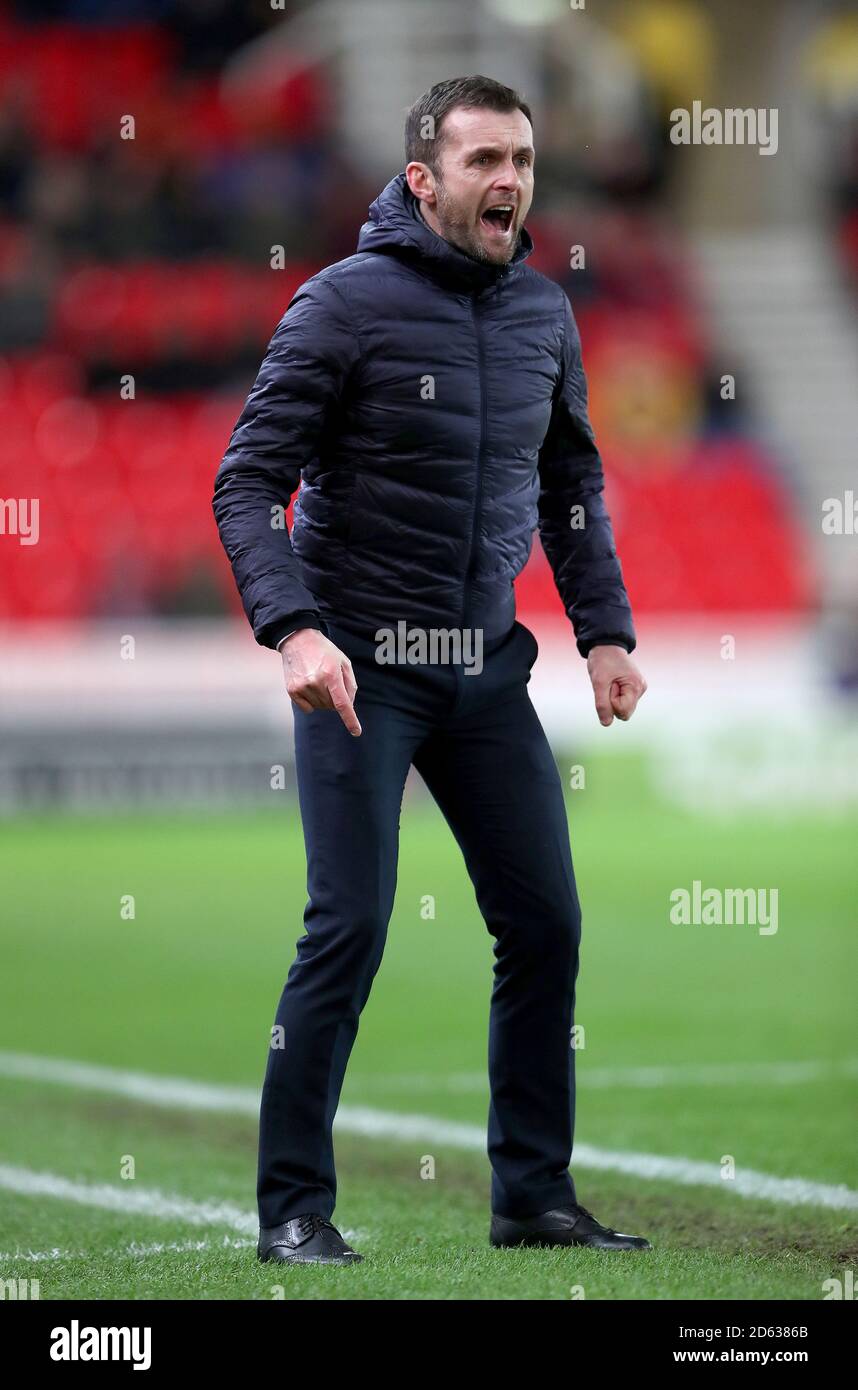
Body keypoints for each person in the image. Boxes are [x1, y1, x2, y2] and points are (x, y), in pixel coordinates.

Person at [212, 75, 650, 1265]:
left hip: (483, 670)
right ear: (423, 180)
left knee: (547, 922)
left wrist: (603, 630)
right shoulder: (340, 306)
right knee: (348, 925)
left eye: (521, 158)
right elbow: (246, 484)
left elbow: (570, 484)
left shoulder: (544, 316)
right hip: (362, 669)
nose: (509, 180)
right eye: (483, 162)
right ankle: (293, 1209)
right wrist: (293, 628)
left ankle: (534, 1198)